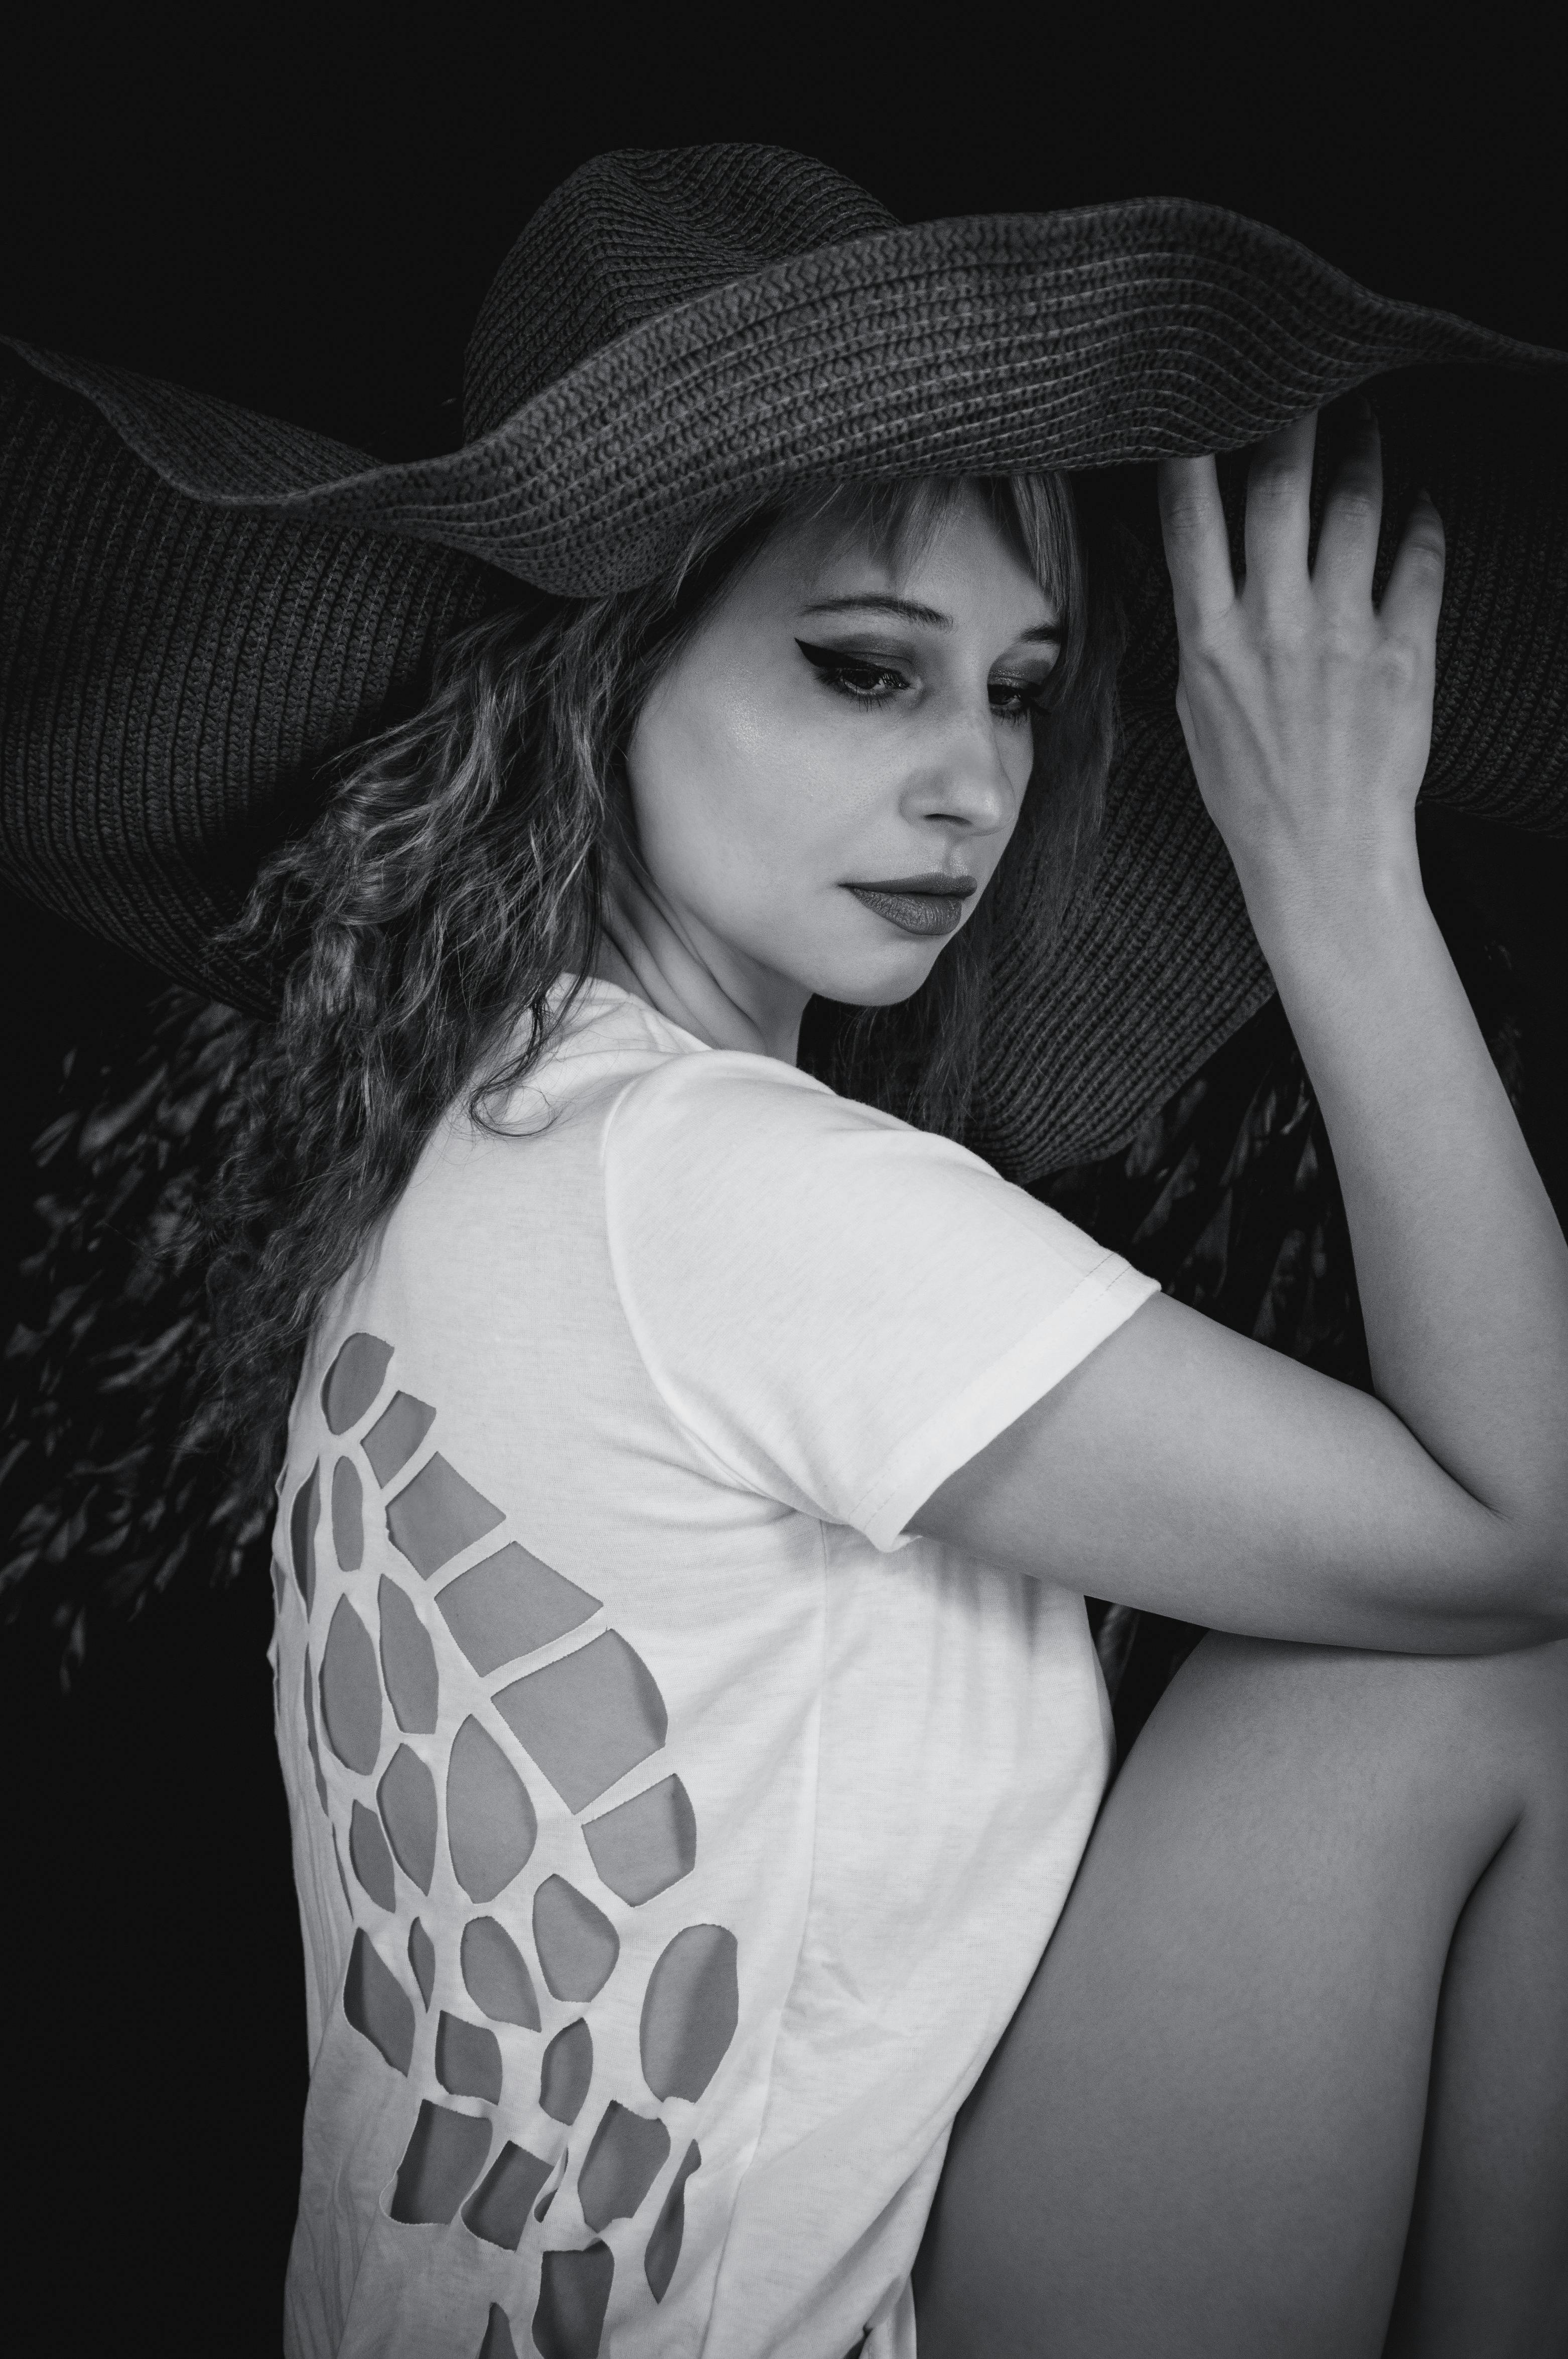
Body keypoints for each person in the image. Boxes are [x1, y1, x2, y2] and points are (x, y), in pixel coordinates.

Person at [2, 147, 1564, 2358]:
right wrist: (1329, 870)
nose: (971, 785)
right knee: (1494, 1666)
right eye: (863, 669)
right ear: (602, 670)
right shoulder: (731, 1195)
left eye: (1018, 693)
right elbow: (1528, 1532)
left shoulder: (491, 1143)